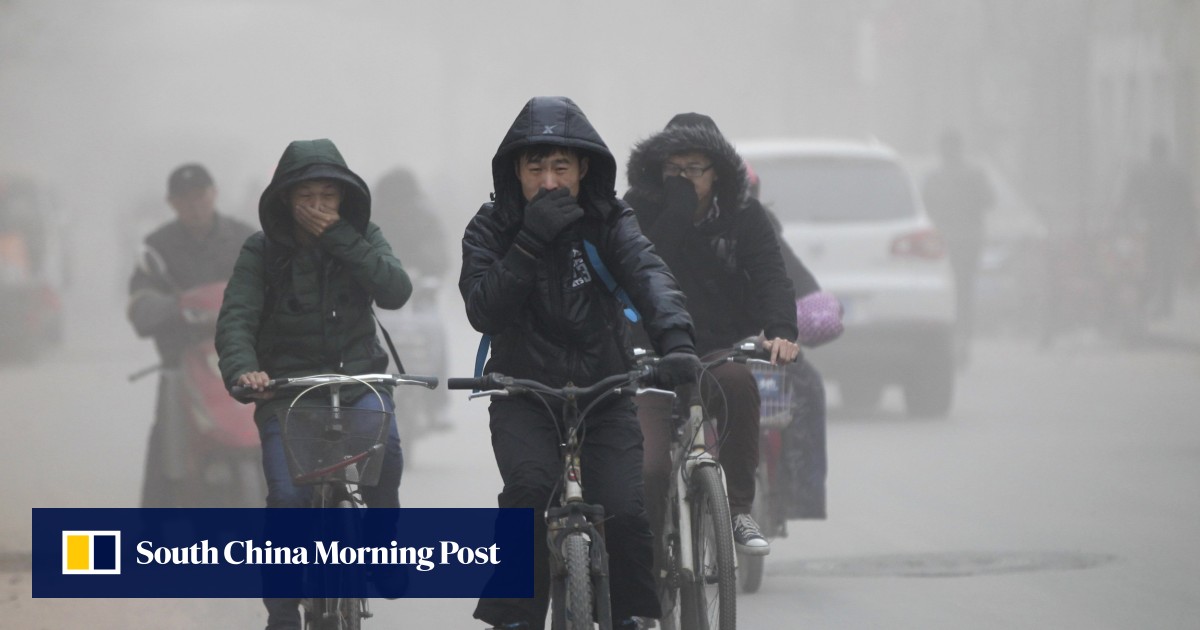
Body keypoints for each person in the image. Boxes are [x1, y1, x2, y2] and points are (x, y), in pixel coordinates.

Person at [460, 96, 700, 630]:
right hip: (523, 392)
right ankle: (515, 618)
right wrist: (530, 240)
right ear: (514, 170)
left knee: (622, 507)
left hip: (607, 389)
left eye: (561, 168)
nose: (548, 181)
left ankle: (637, 617)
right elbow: (482, 309)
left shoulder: (609, 221)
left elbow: (649, 274)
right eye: (535, 167)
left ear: (583, 168)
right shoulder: (491, 227)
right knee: (528, 491)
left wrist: (677, 341)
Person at [215, 139, 411, 630]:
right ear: (286, 199)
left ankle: (385, 550)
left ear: (345, 199)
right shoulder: (261, 251)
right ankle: (282, 615)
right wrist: (245, 371)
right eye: (307, 198)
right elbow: (236, 318)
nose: (319, 208)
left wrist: (342, 239)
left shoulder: (364, 237)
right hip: (286, 391)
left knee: (387, 455)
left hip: (359, 380)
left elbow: (396, 290)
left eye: (329, 196)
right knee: (286, 499)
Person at [624, 113, 801, 557]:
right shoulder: (636, 210)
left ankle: (739, 509)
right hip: (650, 355)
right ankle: (649, 559)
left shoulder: (745, 216)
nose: (683, 179)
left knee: (741, 387)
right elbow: (638, 269)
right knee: (649, 465)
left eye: (694, 170)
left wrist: (781, 330)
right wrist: (677, 210)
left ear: (717, 170)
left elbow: (771, 276)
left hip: (717, 348)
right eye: (674, 170)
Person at [127, 163, 255, 508]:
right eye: (185, 199)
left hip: (246, 357)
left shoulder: (247, 239)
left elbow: (280, 285)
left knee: (293, 424)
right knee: (167, 449)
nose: (194, 205)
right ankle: (153, 539)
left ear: (213, 195)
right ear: (172, 203)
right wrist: (174, 307)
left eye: (200, 196)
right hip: (183, 362)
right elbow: (140, 304)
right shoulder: (158, 247)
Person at [921, 129, 994, 362]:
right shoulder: (974, 174)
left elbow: (924, 209)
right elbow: (990, 201)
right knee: (964, 293)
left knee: (947, 294)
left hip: (943, 245)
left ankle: (952, 343)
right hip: (967, 242)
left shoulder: (935, 179)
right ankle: (961, 343)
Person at [1120, 134, 1197, 317]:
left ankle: (1147, 301)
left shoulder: (1141, 172)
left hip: (1147, 226)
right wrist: (1191, 230)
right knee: (1168, 266)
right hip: (1172, 227)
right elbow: (1187, 204)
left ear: (1151, 150)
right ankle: (1165, 305)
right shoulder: (1178, 173)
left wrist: (1122, 219)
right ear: (1166, 150)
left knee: (1148, 264)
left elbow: (1128, 198)